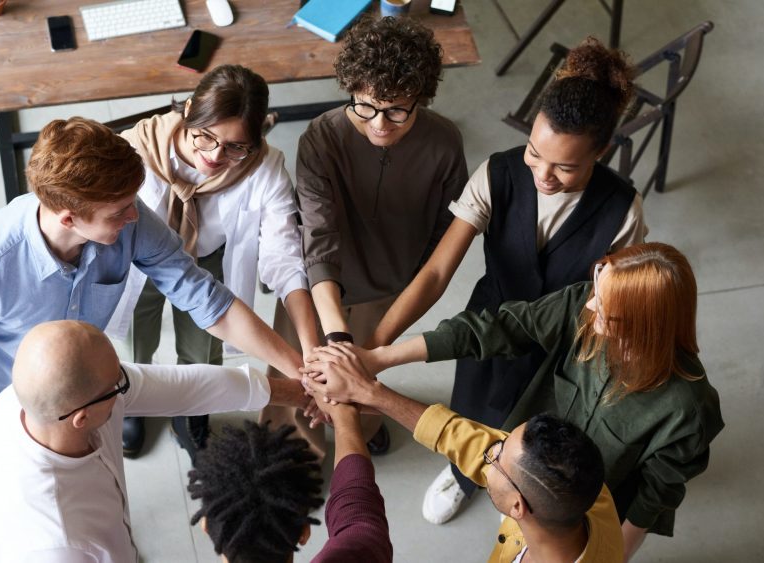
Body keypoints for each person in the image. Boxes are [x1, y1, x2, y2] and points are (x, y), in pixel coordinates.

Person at [0, 117, 303, 562]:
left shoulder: (125, 215)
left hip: (86, 383)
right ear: (69, 217)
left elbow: (203, 297)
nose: (134, 215)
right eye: (120, 211)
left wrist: (300, 372)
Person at [364, 36, 648, 524]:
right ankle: (463, 473)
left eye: (566, 166)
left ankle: (519, 487)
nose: (543, 174)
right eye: (536, 153)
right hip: (489, 323)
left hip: (563, 341)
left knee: (540, 431)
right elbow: (435, 273)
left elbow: (617, 302)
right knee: (474, 405)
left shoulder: (623, 210)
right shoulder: (498, 174)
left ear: (601, 152)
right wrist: (374, 351)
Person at [307, 243, 725, 561]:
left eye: (607, 312)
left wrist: (613, 554)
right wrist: (375, 371)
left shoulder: (688, 411)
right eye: (597, 290)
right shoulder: (588, 304)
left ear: (646, 327)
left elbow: (652, 500)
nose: (590, 305)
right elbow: (497, 333)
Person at [260, 15, 469, 460]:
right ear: (351, 90)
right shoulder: (322, 136)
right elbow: (318, 235)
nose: (379, 124)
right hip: (319, 284)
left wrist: (363, 346)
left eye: (397, 110)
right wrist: (336, 338)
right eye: (365, 107)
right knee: (302, 370)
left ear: (421, 98)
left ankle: (365, 425)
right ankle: (296, 454)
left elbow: (442, 236)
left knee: (366, 378)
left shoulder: (445, 144)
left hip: (388, 287)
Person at [108, 64, 318, 460]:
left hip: (209, 259)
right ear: (188, 110)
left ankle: (192, 410)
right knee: (138, 336)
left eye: (235, 146)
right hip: (140, 259)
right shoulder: (137, 147)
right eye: (205, 137)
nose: (215, 156)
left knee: (204, 349)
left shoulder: (265, 167)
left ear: (255, 141)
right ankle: (134, 396)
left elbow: (283, 255)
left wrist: (309, 350)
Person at [0, 320, 308, 562]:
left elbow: (184, 387)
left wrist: (299, 393)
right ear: (82, 418)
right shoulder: (59, 544)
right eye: (117, 385)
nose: (126, 384)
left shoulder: (39, 398)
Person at [302, 345, 623, 562]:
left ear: (517, 506)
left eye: (496, 457)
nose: (487, 452)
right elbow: (467, 439)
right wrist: (371, 394)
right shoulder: (587, 494)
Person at [188, 412, 392, 562]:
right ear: (304, 533)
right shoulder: (360, 552)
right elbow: (357, 507)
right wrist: (343, 416)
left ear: (205, 525)